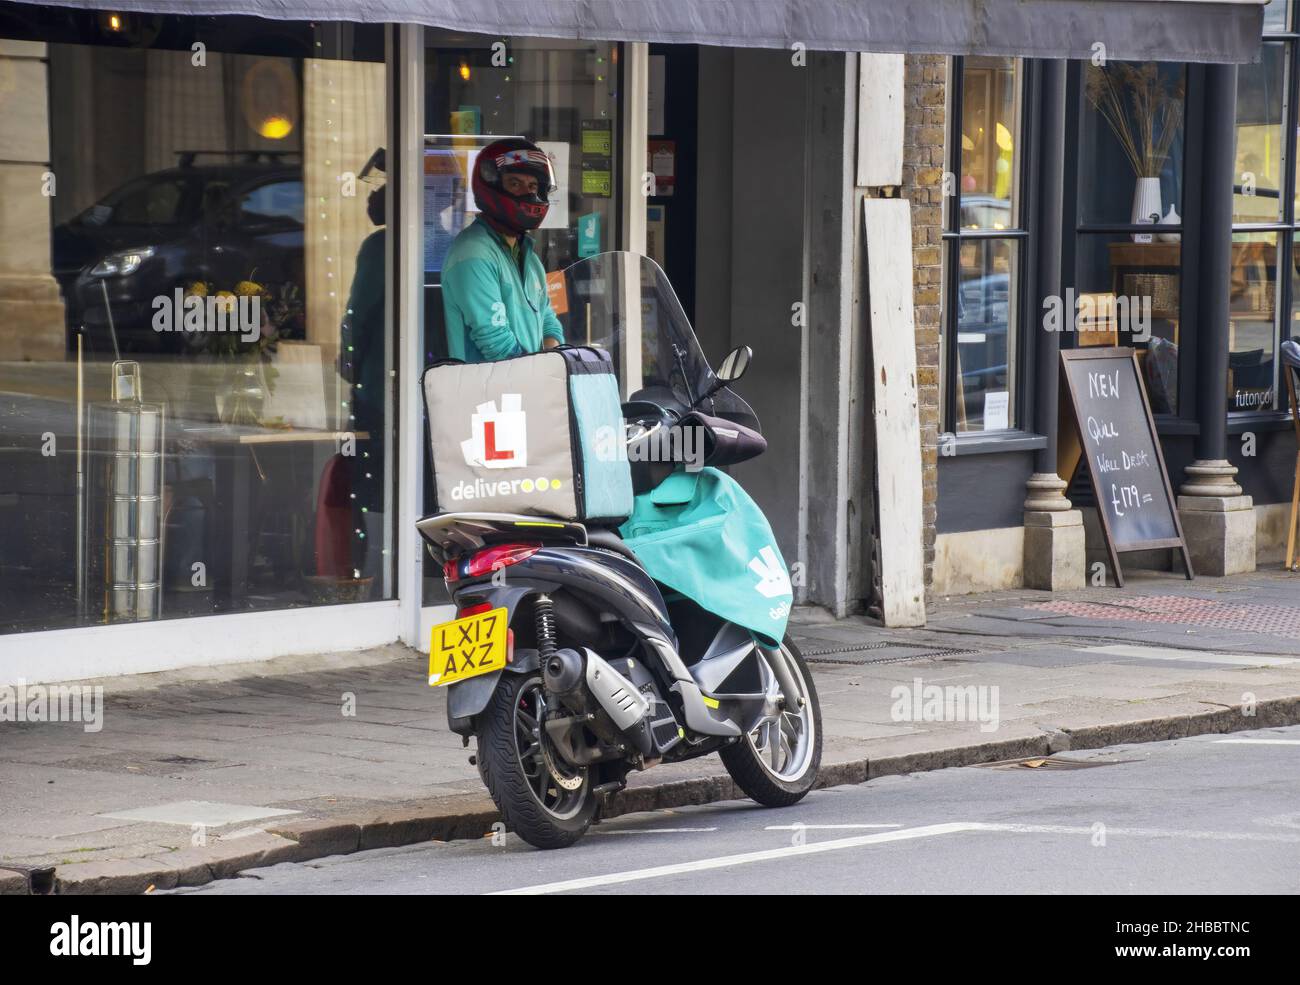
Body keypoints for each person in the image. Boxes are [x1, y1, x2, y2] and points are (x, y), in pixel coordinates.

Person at [442, 137, 564, 363]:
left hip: (526, 388)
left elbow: (549, 322)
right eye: (515, 184)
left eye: (533, 186)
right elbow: (495, 341)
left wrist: (553, 359)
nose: (528, 194)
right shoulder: (473, 253)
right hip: (486, 393)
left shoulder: (529, 257)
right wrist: (541, 374)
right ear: (491, 184)